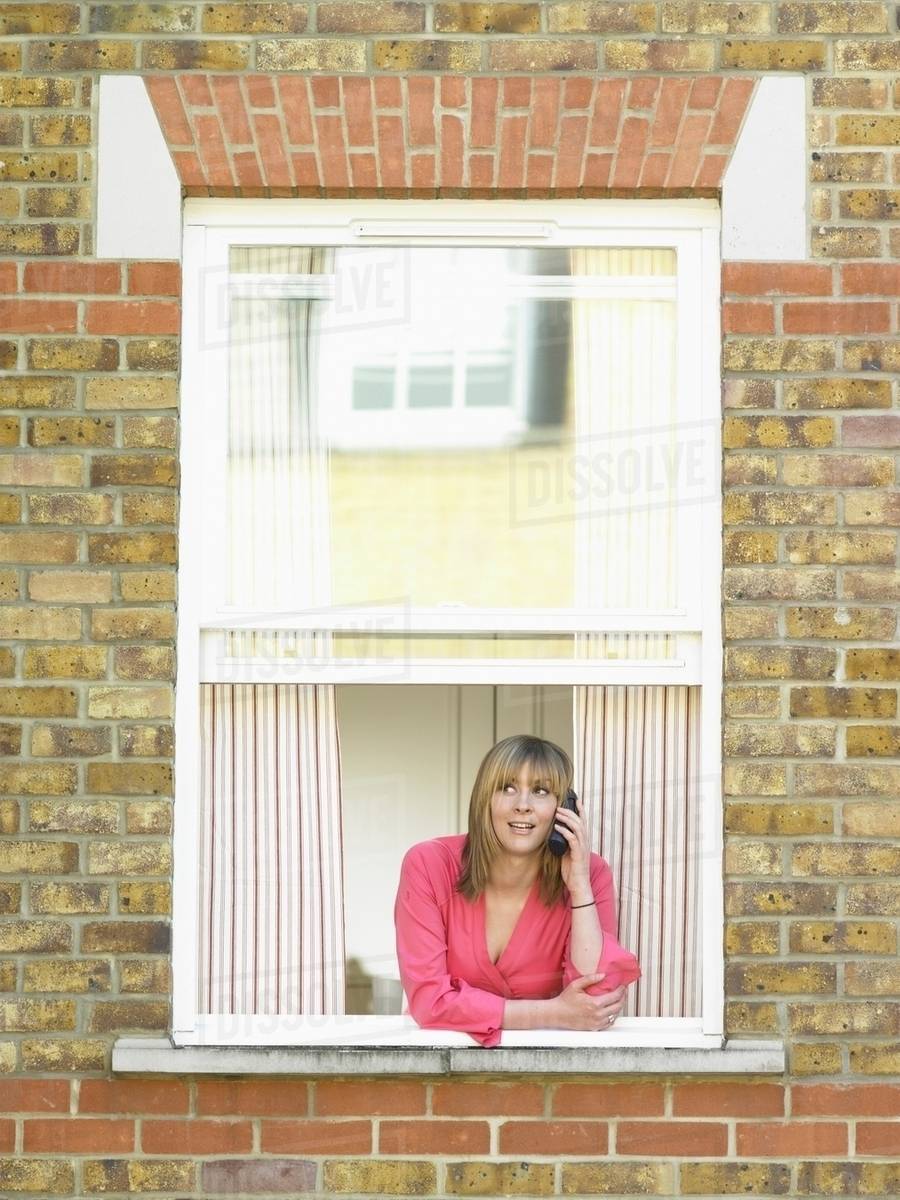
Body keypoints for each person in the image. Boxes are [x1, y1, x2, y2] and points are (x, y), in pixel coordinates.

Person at [394, 733, 641, 1047]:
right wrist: (554, 1013)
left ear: (564, 809)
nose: (523, 805)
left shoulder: (590, 874)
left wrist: (578, 887)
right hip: (441, 1069)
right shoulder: (428, 866)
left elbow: (594, 1001)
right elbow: (430, 1002)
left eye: (540, 791)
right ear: (485, 798)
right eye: (507, 788)